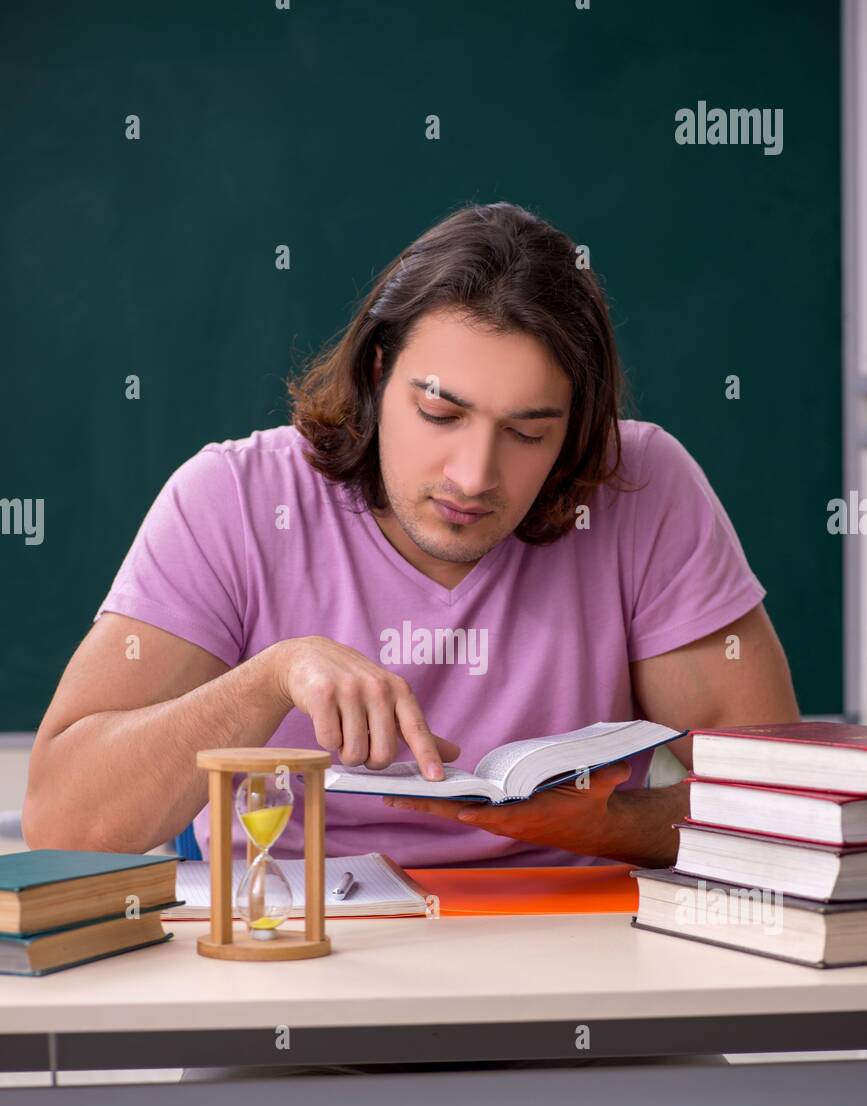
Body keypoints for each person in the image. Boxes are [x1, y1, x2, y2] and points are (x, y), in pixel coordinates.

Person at [23, 202, 799, 869]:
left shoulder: (641, 485)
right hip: (292, 951)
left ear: (577, 429)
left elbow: (782, 806)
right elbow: (67, 824)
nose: (472, 477)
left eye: (528, 433)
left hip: (573, 948)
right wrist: (270, 677)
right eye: (439, 414)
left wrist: (606, 828)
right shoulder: (230, 497)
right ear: (376, 372)